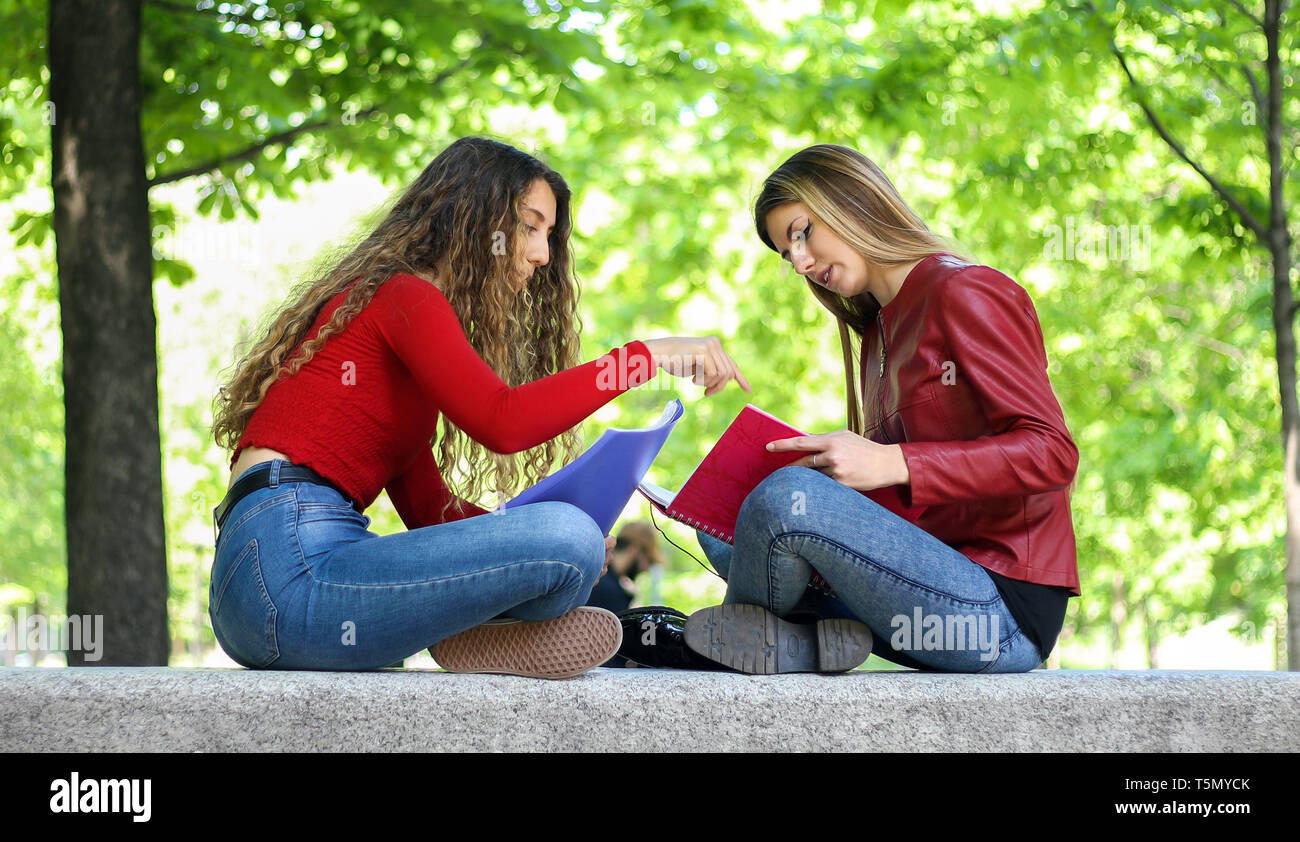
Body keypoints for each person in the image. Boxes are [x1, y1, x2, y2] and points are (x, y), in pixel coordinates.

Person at [209, 136, 749, 678]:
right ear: (473, 217)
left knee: (569, 550)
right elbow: (503, 420)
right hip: (286, 571)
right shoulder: (405, 295)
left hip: (287, 593)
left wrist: (527, 548)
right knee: (567, 539)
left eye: (549, 235)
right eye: (530, 226)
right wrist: (645, 357)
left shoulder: (399, 359)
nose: (542, 254)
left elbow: (430, 513)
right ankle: (490, 622)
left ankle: (486, 632)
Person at [684, 143, 1079, 674]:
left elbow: (1053, 453)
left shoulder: (966, 290)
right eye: (786, 253)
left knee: (785, 499)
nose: (799, 261)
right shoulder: (878, 333)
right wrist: (841, 474)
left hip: (997, 613)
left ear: (853, 201)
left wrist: (890, 464)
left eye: (802, 233)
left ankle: (739, 651)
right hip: (918, 588)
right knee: (722, 518)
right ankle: (797, 645)